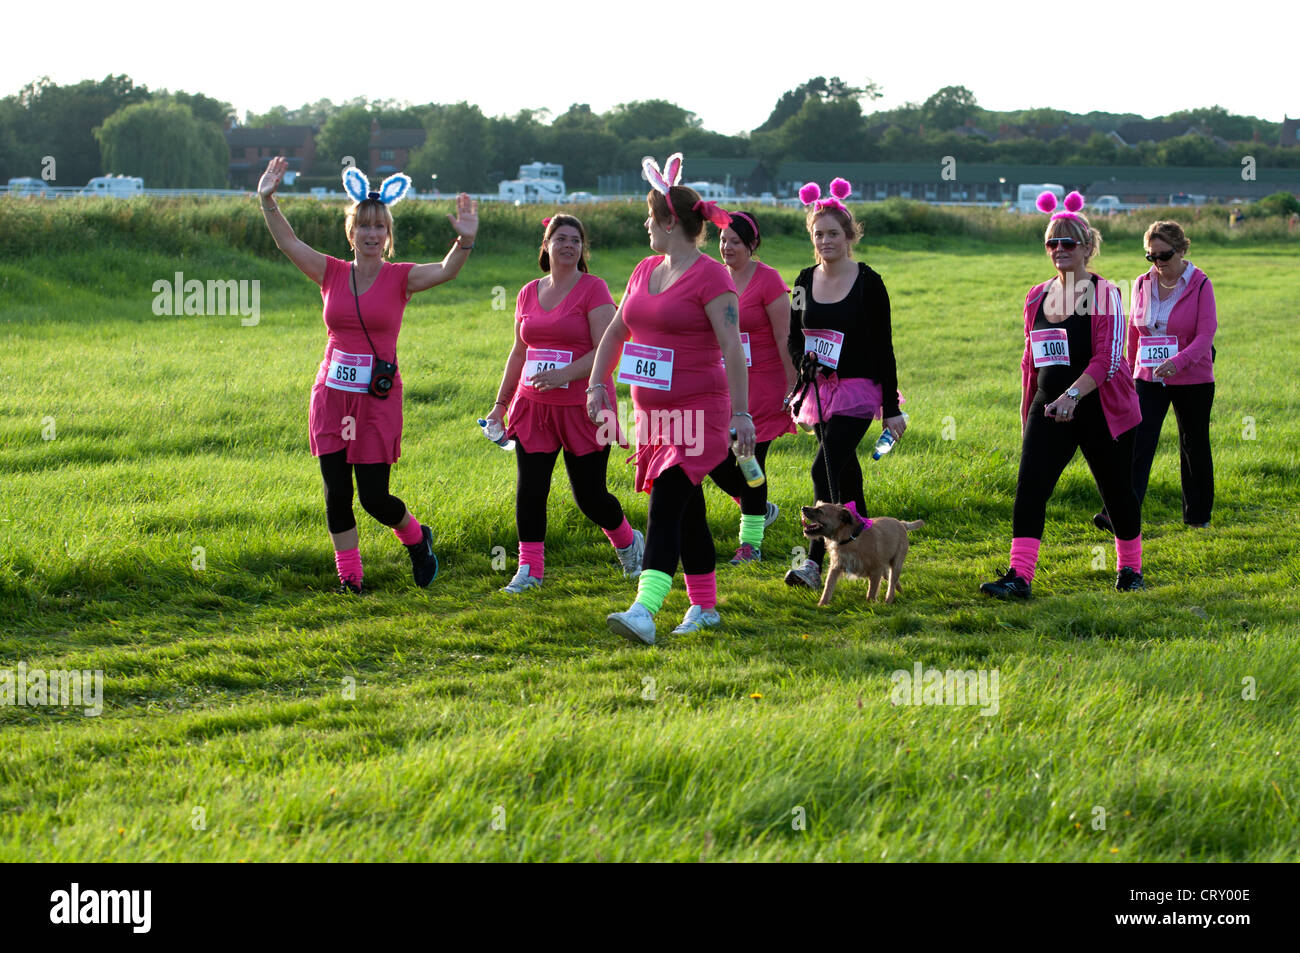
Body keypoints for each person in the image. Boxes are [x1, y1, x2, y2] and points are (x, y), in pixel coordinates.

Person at [257, 156, 477, 594]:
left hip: (376, 397)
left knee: (374, 497)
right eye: (364, 226)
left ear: (388, 235)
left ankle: (417, 538)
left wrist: (464, 242)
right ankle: (351, 578)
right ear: (351, 232)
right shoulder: (329, 272)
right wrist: (267, 200)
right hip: (332, 394)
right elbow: (288, 243)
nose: (372, 234)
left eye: (380, 227)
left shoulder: (401, 279)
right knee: (336, 493)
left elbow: (446, 270)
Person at [585, 153, 753, 644]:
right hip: (653, 416)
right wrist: (598, 384)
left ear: (670, 221)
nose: (645, 225)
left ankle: (646, 607)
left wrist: (742, 414)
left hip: (702, 411)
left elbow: (731, 349)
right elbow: (616, 332)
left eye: (650, 217)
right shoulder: (643, 269)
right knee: (689, 509)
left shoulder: (712, 277)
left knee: (666, 500)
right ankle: (704, 606)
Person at [980, 191, 1144, 599]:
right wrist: (1027, 416)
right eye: (1051, 242)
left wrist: (1073, 395)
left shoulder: (1104, 293)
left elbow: (1108, 359)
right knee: (1031, 488)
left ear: (1088, 248)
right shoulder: (1036, 295)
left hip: (1101, 408)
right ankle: (1019, 577)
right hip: (1049, 406)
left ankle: (1130, 570)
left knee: (1116, 492)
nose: (1058, 249)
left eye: (1067, 242)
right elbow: (1030, 361)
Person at [483, 215, 644, 593]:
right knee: (531, 488)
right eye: (560, 238)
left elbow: (609, 348)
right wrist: (500, 404)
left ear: (582, 249)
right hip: (533, 408)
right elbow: (519, 353)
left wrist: (563, 375)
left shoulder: (593, 289)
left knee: (589, 496)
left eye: (576, 240)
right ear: (546, 245)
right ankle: (529, 570)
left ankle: (628, 542)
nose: (569, 245)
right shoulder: (526, 293)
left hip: (583, 405)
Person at [784, 178, 905, 591]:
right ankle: (869, 554)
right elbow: (793, 336)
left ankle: (814, 561)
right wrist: (804, 362)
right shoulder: (802, 280)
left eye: (833, 233)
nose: (825, 240)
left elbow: (885, 347)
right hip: (818, 392)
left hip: (859, 389)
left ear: (849, 235)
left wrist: (891, 408)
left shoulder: (869, 282)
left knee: (826, 463)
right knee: (846, 476)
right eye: (818, 234)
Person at [1094, 220, 1217, 531]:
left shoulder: (1201, 283)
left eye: (1164, 256)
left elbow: (1206, 335)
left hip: (1193, 377)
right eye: (1151, 257)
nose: (1158, 263)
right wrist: (1132, 370)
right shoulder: (1141, 284)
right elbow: (1135, 331)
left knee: (1194, 445)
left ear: (1182, 249)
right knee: (1137, 442)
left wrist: (1178, 362)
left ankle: (1198, 517)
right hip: (1148, 377)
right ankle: (1119, 512)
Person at [708, 210, 796, 564]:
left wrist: (793, 386)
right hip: (724, 382)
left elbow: (784, 335)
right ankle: (757, 507)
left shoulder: (768, 280)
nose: (727, 248)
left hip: (764, 383)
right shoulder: (714, 277)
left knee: (749, 459)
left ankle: (751, 544)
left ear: (752, 245)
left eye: (735, 242)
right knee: (714, 457)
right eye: (723, 241)